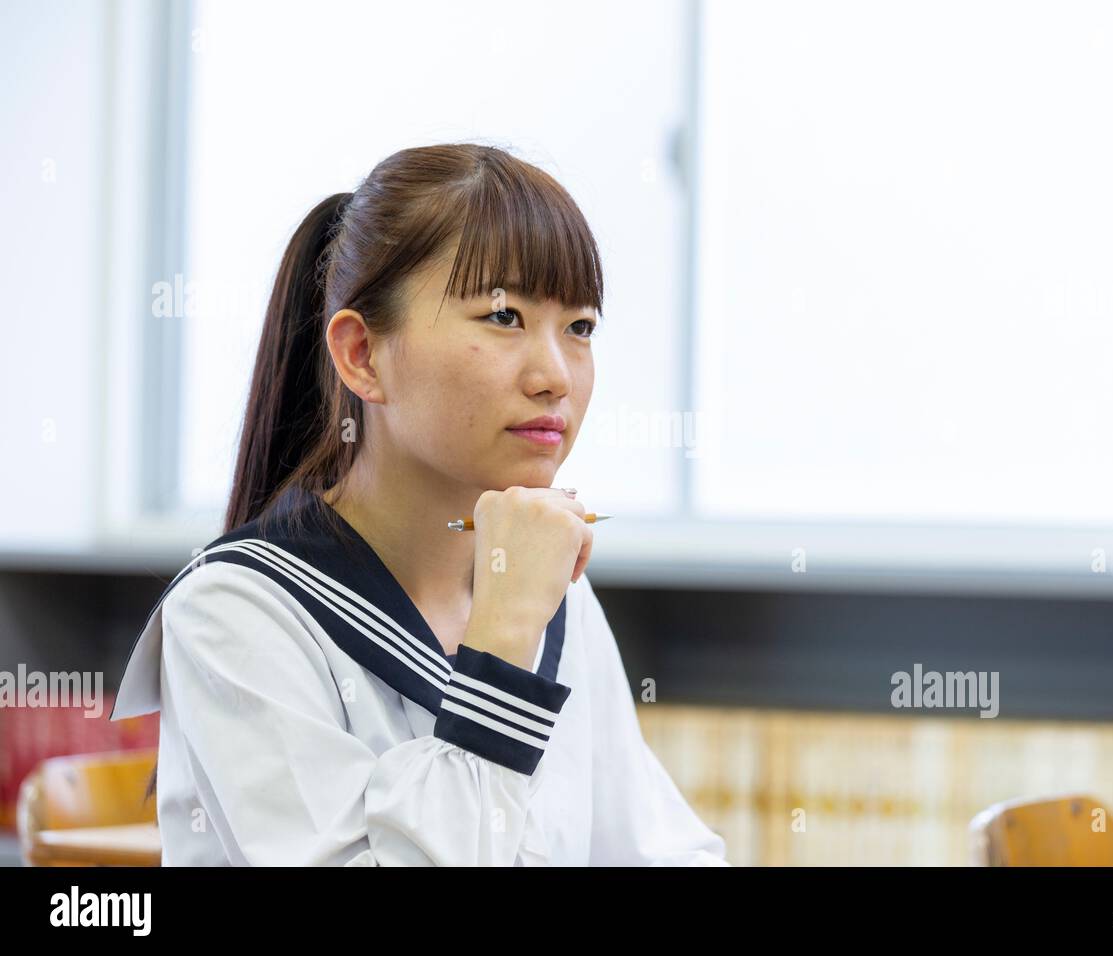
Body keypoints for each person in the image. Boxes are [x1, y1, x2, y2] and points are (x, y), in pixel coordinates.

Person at [110, 143, 729, 867]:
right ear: (362, 356)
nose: (556, 375)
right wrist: (501, 650)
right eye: (503, 316)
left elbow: (657, 851)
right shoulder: (236, 613)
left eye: (580, 328)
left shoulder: (554, 595)